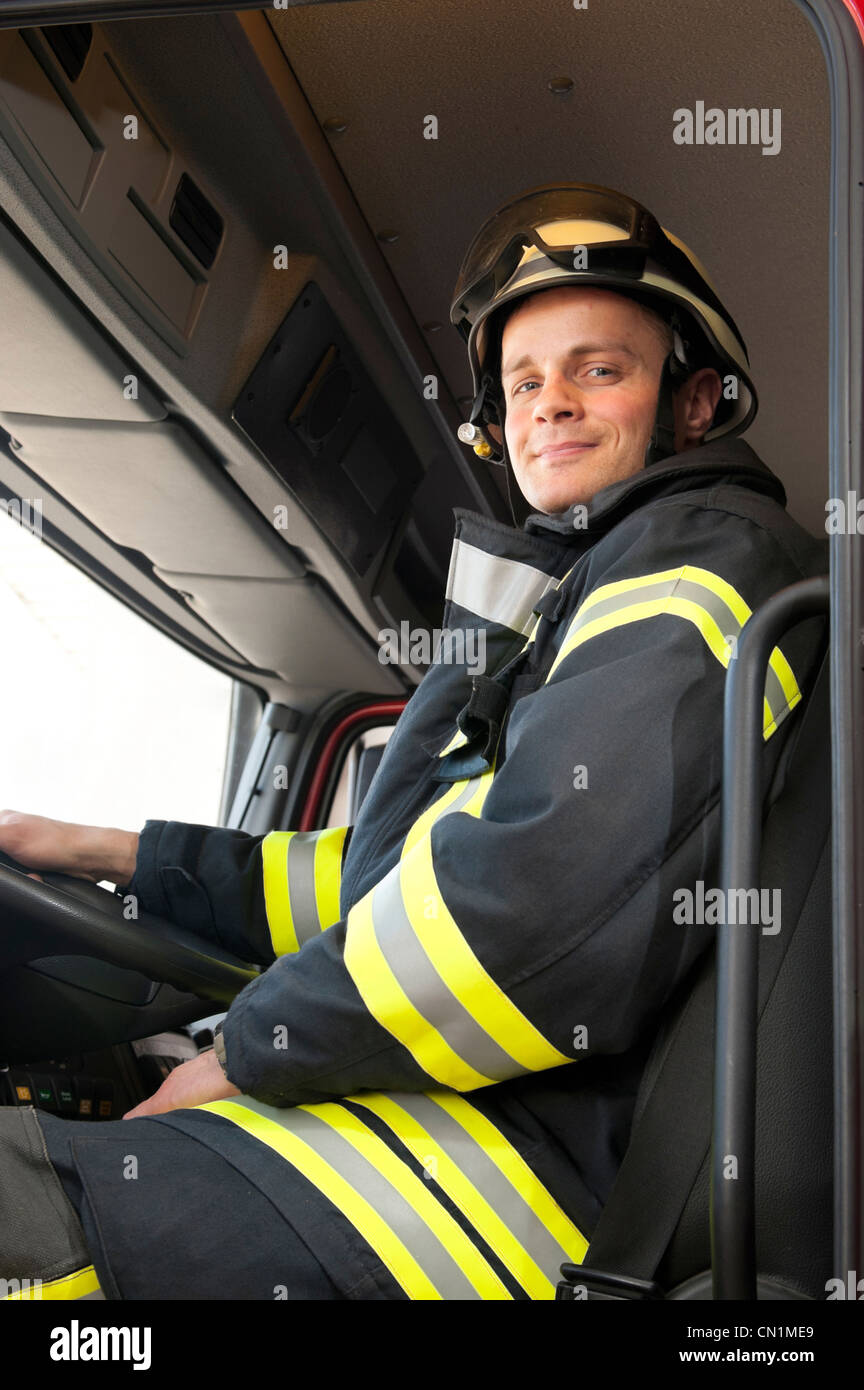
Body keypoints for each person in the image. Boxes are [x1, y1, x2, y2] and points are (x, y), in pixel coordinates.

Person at [0, 183, 827, 1301]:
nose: (550, 405)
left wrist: (249, 1053)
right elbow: (387, 882)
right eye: (525, 381)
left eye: (600, 368)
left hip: (544, 1185)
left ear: (690, 402)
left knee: (32, 1226)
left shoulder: (706, 554)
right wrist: (101, 851)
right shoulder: (568, 597)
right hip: (477, 1124)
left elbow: (538, 906)